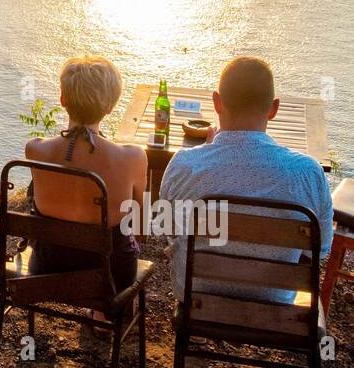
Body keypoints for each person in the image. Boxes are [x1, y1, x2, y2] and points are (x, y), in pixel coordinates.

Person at [159, 56, 333, 302]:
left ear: (217, 103)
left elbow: (167, 229)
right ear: (274, 109)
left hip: (197, 297)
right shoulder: (308, 173)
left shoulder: (185, 165)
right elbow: (321, 249)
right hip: (275, 302)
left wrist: (206, 157)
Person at [24, 56, 147, 290]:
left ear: (63, 99)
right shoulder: (133, 157)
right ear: (110, 106)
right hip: (110, 277)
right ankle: (104, 319)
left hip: (46, 268)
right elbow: (141, 227)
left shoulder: (36, 149)